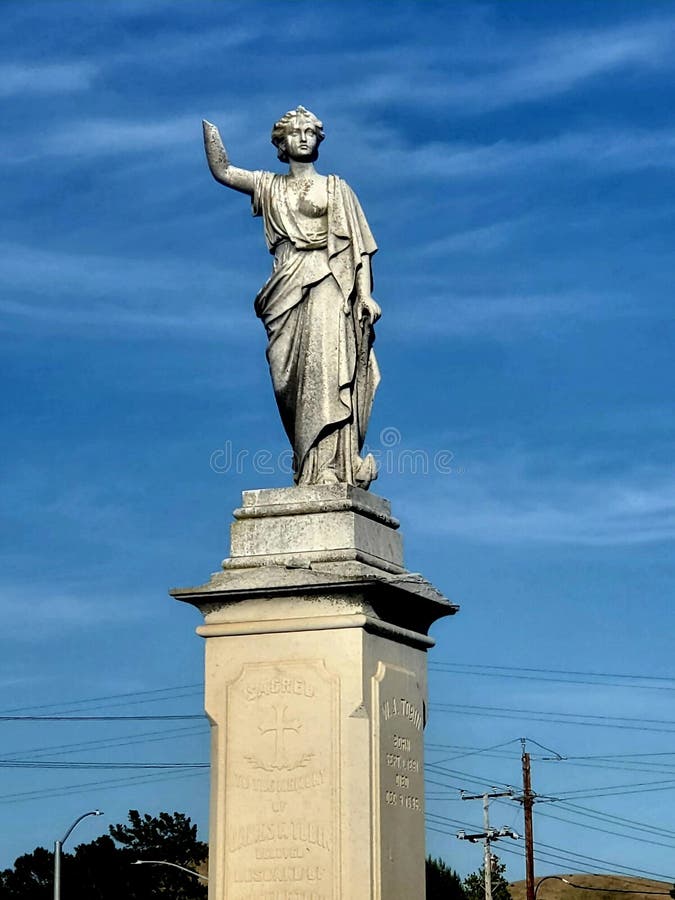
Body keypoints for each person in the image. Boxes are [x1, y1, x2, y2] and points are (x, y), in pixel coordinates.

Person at [203, 106, 381, 488]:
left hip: (328, 283)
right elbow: (224, 171)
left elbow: (359, 250)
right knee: (291, 381)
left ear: (318, 140)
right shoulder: (269, 185)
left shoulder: (336, 188)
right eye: (295, 132)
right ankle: (307, 463)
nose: (303, 138)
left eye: (310, 132)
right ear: (281, 143)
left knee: (325, 371)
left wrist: (365, 296)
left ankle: (331, 466)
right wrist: (209, 132)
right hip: (285, 289)